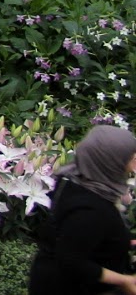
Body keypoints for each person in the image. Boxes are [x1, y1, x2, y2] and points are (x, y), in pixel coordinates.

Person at [29, 124, 136, 294]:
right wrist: (125, 280)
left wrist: (125, 242)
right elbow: (72, 262)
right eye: (130, 158)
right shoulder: (89, 209)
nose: (134, 164)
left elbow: (83, 236)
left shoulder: (76, 180)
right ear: (110, 162)